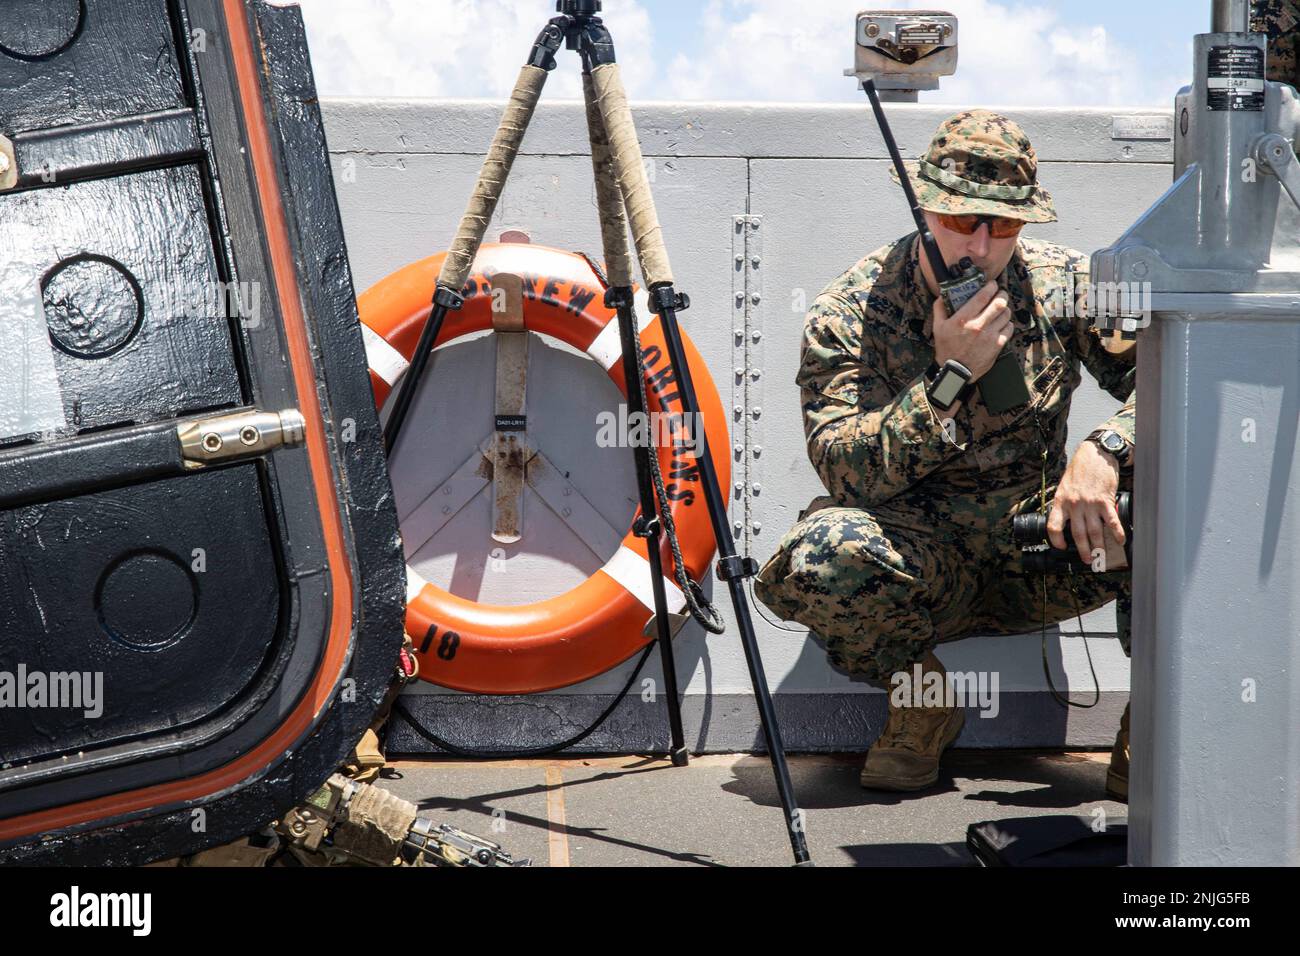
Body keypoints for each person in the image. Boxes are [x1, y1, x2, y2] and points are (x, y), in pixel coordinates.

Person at [753, 110, 1136, 796]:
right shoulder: (853, 310)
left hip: (1046, 552)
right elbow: (844, 469)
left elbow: (1184, 383)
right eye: (962, 222)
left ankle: (1160, 723)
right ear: (927, 209)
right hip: (923, 567)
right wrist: (948, 380)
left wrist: (1104, 449)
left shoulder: (1066, 285)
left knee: (1187, 494)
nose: (981, 246)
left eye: (1006, 225)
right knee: (818, 554)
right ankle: (923, 700)